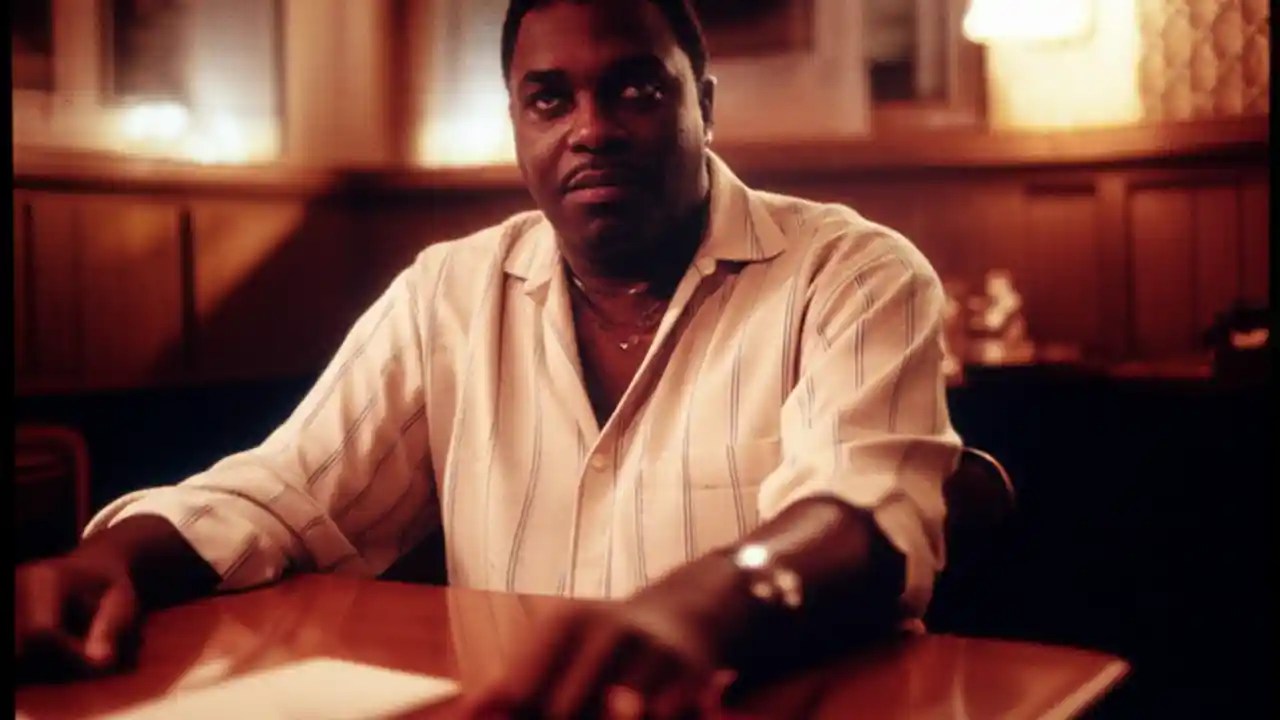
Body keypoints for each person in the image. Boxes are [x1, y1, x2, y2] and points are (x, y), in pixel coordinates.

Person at [14, 0, 962, 715]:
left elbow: (866, 507)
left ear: (702, 105)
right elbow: (283, 491)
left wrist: (700, 608)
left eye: (636, 87)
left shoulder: (852, 272)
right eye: (550, 98)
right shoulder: (450, 291)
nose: (590, 128)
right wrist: (114, 558)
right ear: (518, 121)